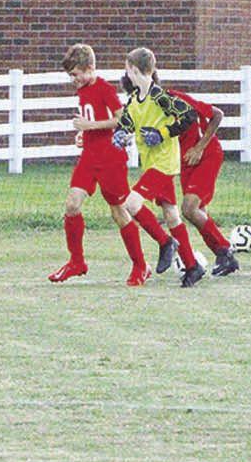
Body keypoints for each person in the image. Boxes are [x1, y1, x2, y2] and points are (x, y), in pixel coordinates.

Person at [48, 43, 164, 288]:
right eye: (71, 76)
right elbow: (93, 120)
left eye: (76, 74)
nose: (73, 80)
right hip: (90, 157)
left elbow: (121, 119)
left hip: (110, 158)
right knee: (72, 204)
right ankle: (76, 262)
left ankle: (141, 264)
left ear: (90, 68)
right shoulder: (83, 89)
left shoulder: (104, 88)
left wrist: (90, 127)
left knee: (120, 211)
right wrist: (84, 135)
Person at [116, 47, 205, 287]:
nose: (126, 76)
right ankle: (192, 266)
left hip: (164, 162)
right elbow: (125, 122)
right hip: (151, 163)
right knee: (171, 214)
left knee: (131, 203)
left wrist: (162, 133)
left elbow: (189, 116)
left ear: (135, 70)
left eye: (128, 71)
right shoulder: (134, 100)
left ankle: (166, 242)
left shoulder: (160, 97)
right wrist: (120, 135)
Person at [164, 83, 239, 277]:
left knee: (189, 208)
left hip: (207, 155)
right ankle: (223, 256)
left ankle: (224, 250)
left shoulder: (175, 99)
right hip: (185, 162)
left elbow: (217, 114)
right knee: (198, 212)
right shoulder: (146, 110)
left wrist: (199, 147)